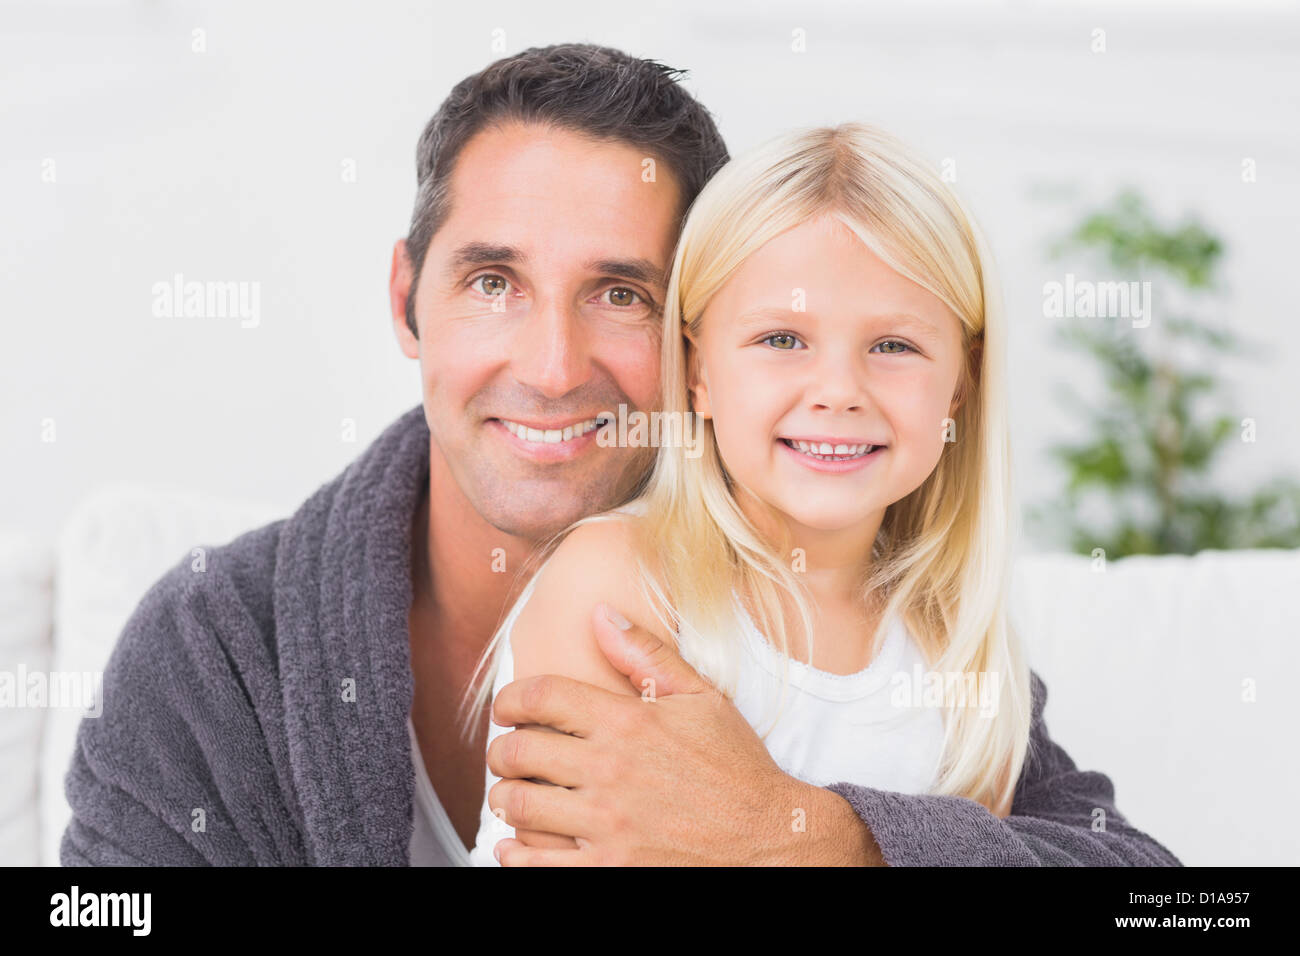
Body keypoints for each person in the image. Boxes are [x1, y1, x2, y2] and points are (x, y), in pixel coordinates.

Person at [61, 43, 1181, 867]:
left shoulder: (894, 602)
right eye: (493, 282)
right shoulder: (218, 646)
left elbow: (1154, 889)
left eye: (619, 294)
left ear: (694, 340)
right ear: (408, 301)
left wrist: (800, 829)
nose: (552, 366)